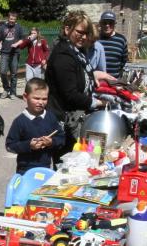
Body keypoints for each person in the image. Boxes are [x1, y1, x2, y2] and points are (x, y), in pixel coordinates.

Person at [45, 10, 114, 163]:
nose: (84, 37)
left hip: (77, 119)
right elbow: (70, 94)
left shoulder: (77, 52)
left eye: (86, 33)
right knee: (69, 166)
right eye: (80, 32)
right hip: (65, 123)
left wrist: (94, 76)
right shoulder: (63, 55)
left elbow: (79, 76)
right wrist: (98, 103)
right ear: (67, 29)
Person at [6, 78, 66, 174]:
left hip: (45, 168)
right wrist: (28, 145)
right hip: (25, 171)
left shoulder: (50, 117)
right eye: (36, 98)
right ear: (25, 97)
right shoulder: (20, 121)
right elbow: (10, 145)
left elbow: (61, 138)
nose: (41, 102)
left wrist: (51, 142)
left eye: (44, 99)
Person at [0, 11, 26, 98]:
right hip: (4, 52)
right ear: (8, 18)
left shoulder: (19, 27)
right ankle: (6, 89)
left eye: (14, 19)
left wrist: (16, 44)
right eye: (11, 19)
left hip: (15, 53)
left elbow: (22, 39)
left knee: (14, 73)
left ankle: (12, 93)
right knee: (2, 71)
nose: (12, 21)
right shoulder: (2, 27)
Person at [92, 11, 128, 79]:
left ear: (115, 24)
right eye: (104, 23)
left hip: (114, 80)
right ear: (100, 23)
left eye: (110, 23)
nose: (107, 25)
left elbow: (124, 60)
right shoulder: (95, 38)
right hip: (97, 80)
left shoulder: (121, 40)